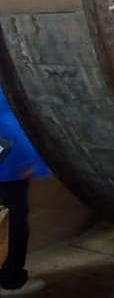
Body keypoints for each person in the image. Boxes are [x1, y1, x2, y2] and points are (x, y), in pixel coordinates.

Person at [0, 86, 49, 295]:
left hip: (8, 162)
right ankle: (11, 280)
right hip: (9, 167)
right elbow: (9, 121)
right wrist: (35, 162)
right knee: (15, 225)